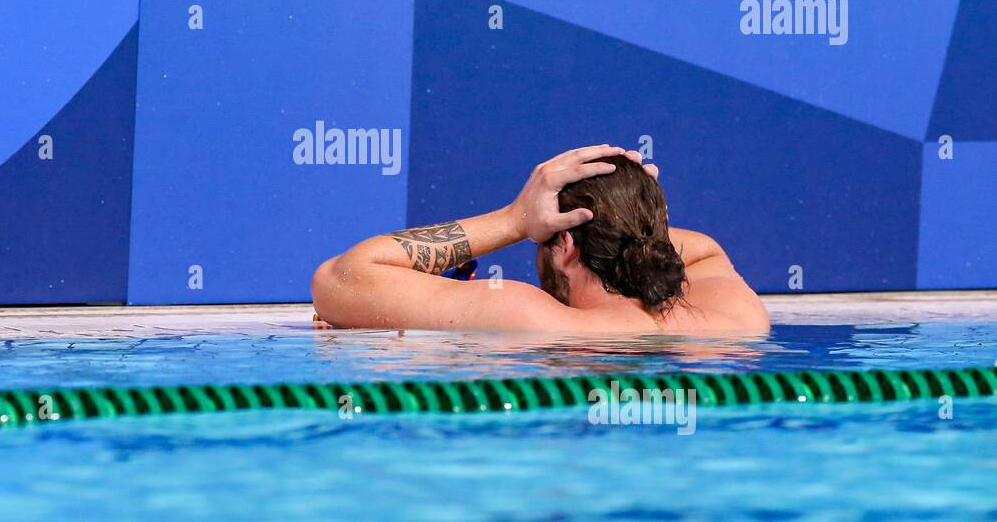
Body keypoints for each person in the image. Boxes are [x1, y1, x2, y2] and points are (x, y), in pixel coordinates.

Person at [311, 144, 769, 335]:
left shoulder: (534, 320)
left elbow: (341, 279)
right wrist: (634, 210)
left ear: (565, 244)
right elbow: (706, 249)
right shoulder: (736, 317)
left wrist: (514, 220)